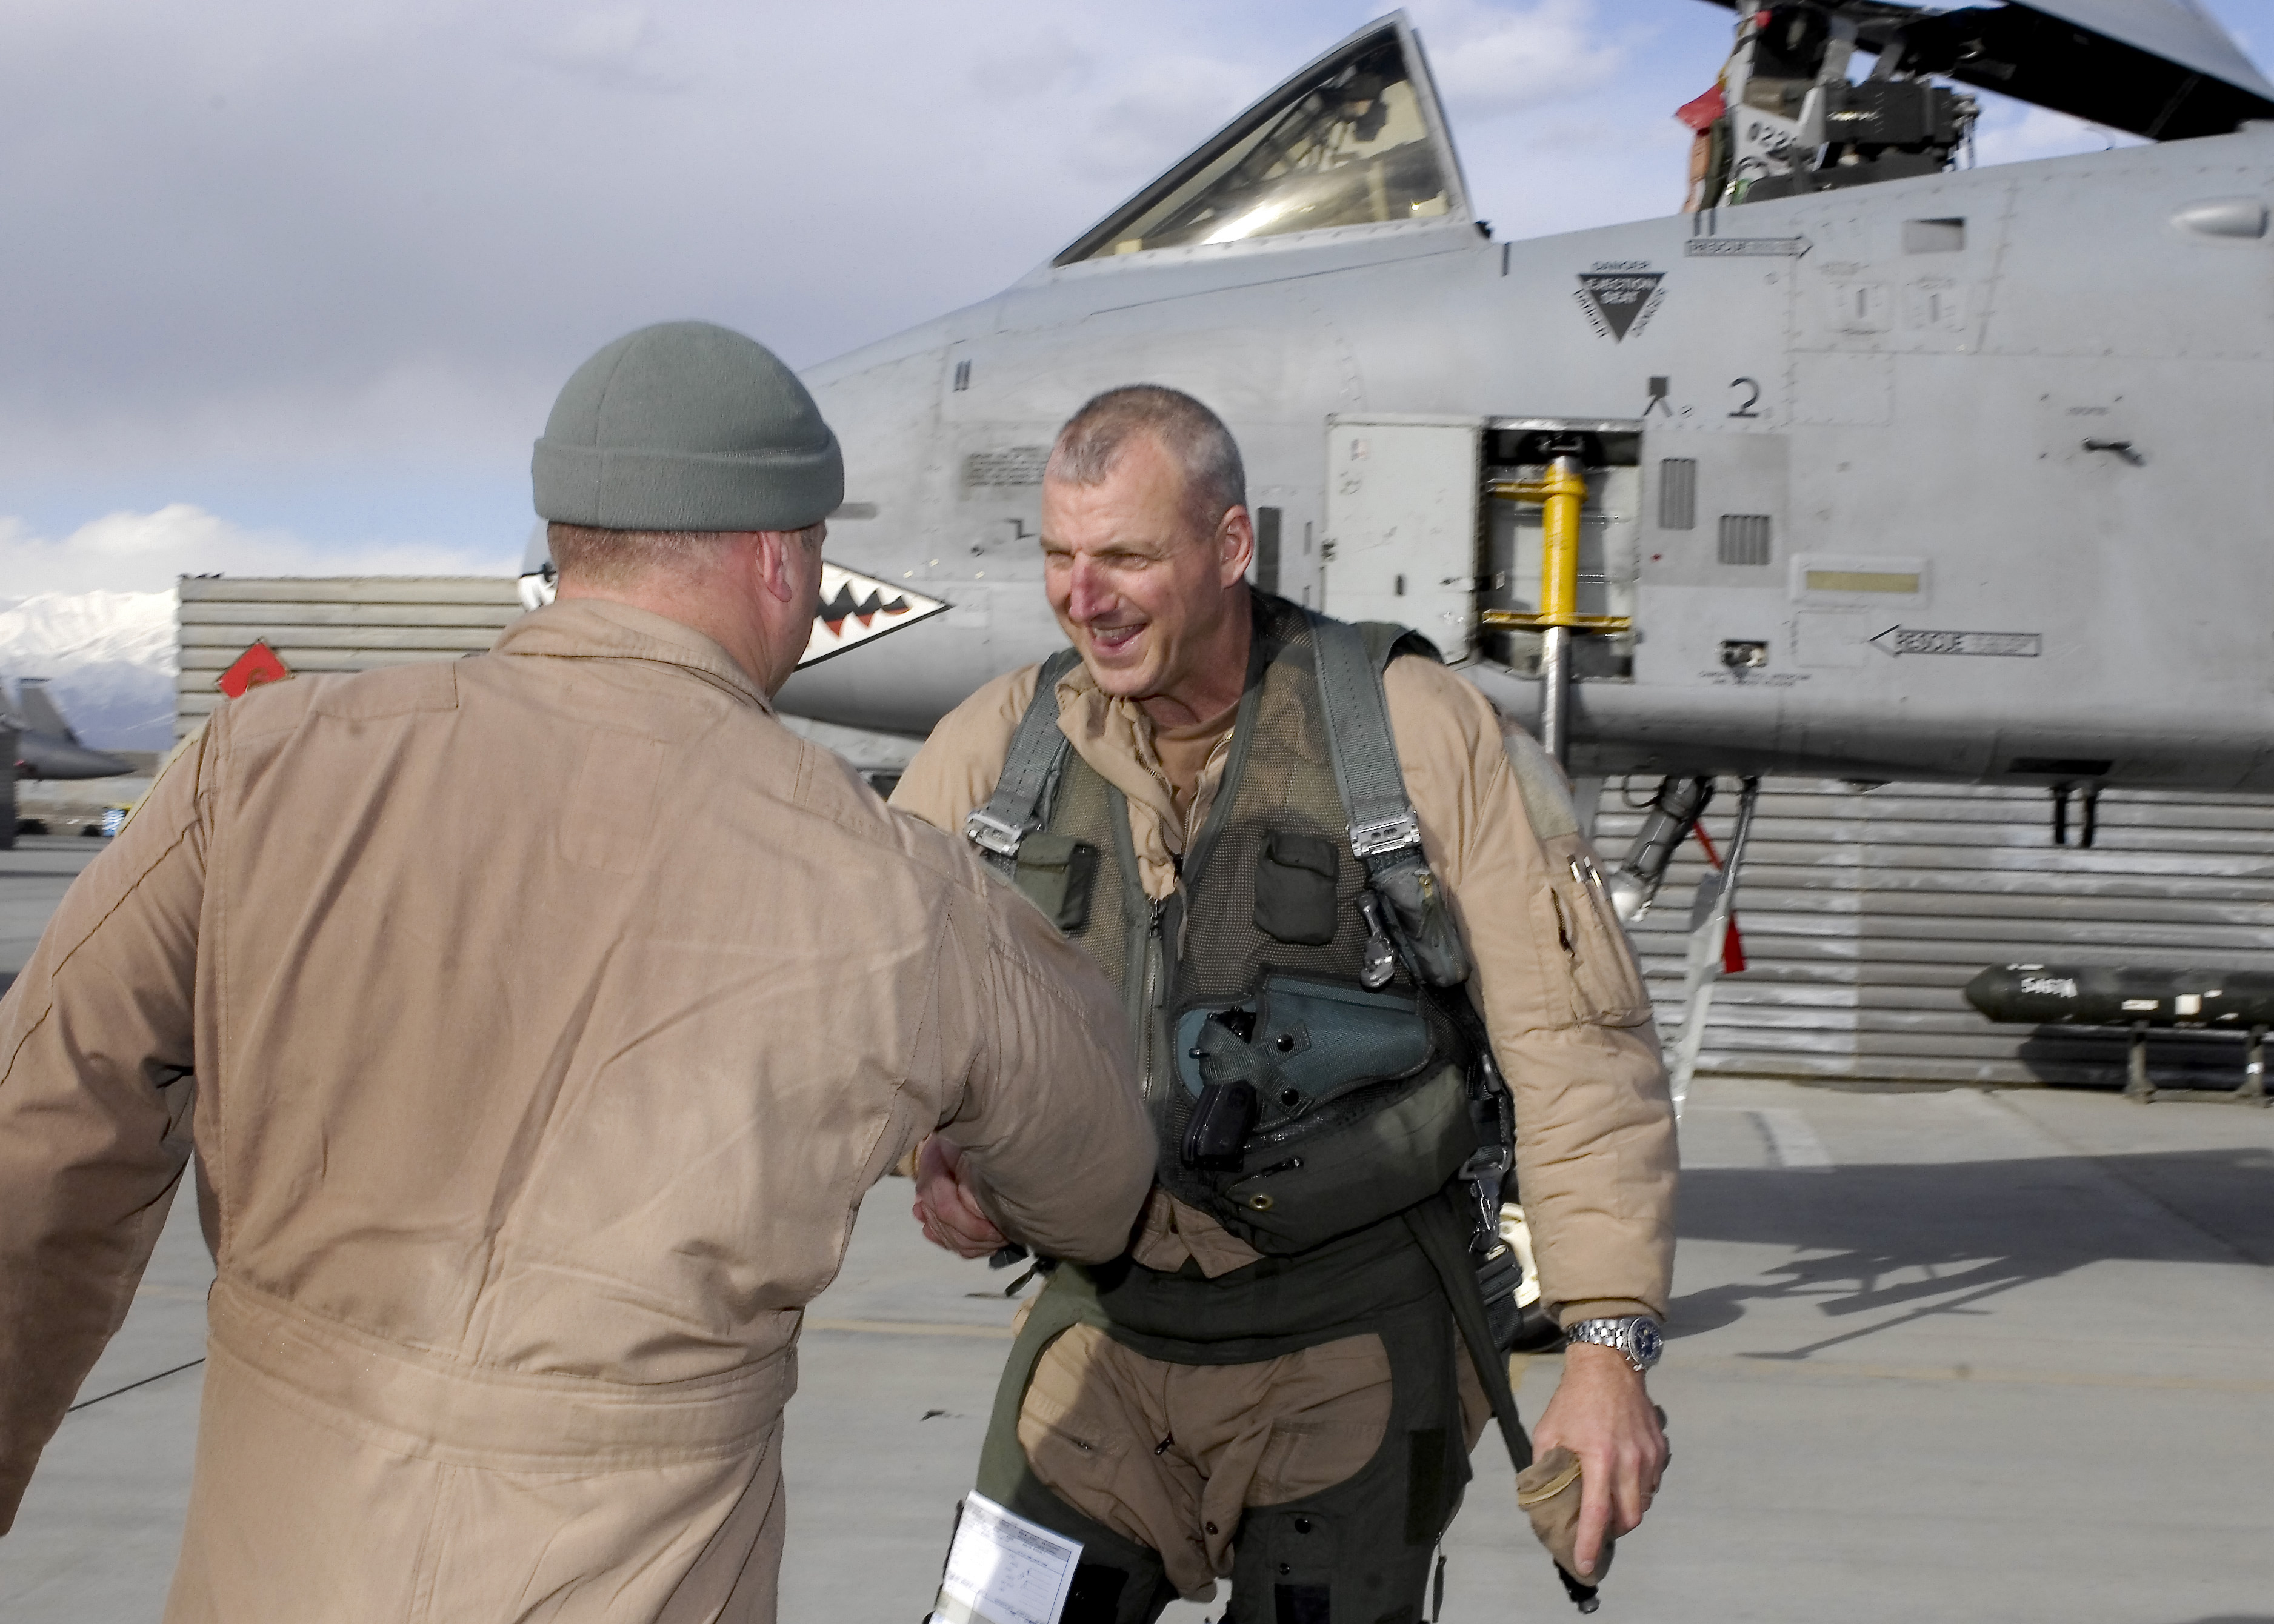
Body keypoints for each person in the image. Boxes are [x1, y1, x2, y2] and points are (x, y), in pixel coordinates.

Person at [0, 321, 1154, 1624]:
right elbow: (1102, 1178)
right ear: (781, 557)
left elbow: (40, 1150)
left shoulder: (260, 766)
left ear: (570, 539)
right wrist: (972, 1161)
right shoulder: (903, 888)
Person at [893, 385, 1676, 1623]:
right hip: (1101, 1334)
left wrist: (1606, 1344)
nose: (1082, 597)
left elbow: (1577, 1048)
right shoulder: (1002, 748)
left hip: (1350, 1347)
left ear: (1229, 545)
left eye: (1126, 557)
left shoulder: (1409, 732)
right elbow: (865, 1004)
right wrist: (924, 1140)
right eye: (1060, 556)